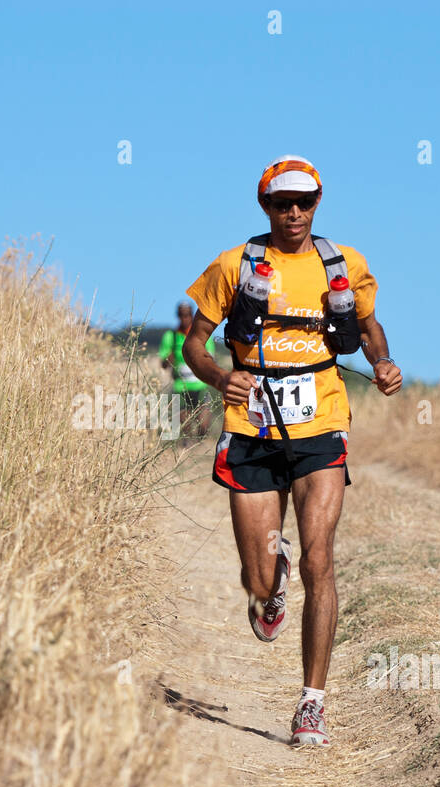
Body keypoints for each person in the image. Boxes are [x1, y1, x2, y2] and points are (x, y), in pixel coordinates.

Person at [180, 155, 403, 746]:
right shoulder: (235, 266)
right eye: (283, 203)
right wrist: (216, 377)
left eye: (304, 202)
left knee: (319, 558)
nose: (294, 212)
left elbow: (370, 326)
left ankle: (312, 704)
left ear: (318, 203)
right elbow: (193, 345)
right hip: (250, 425)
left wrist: (381, 363)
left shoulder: (343, 264)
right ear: (265, 207)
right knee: (259, 583)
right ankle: (267, 582)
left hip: (320, 422)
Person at [159, 302, 217, 441]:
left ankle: (201, 445)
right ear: (177, 316)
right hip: (181, 386)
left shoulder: (202, 336)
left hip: (200, 385)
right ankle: (187, 449)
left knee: (203, 424)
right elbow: (163, 363)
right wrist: (169, 359)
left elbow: (211, 359)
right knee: (185, 423)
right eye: (181, 315)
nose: (184, 318)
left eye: (187, 315)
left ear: (192, 316)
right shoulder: (170, 337)